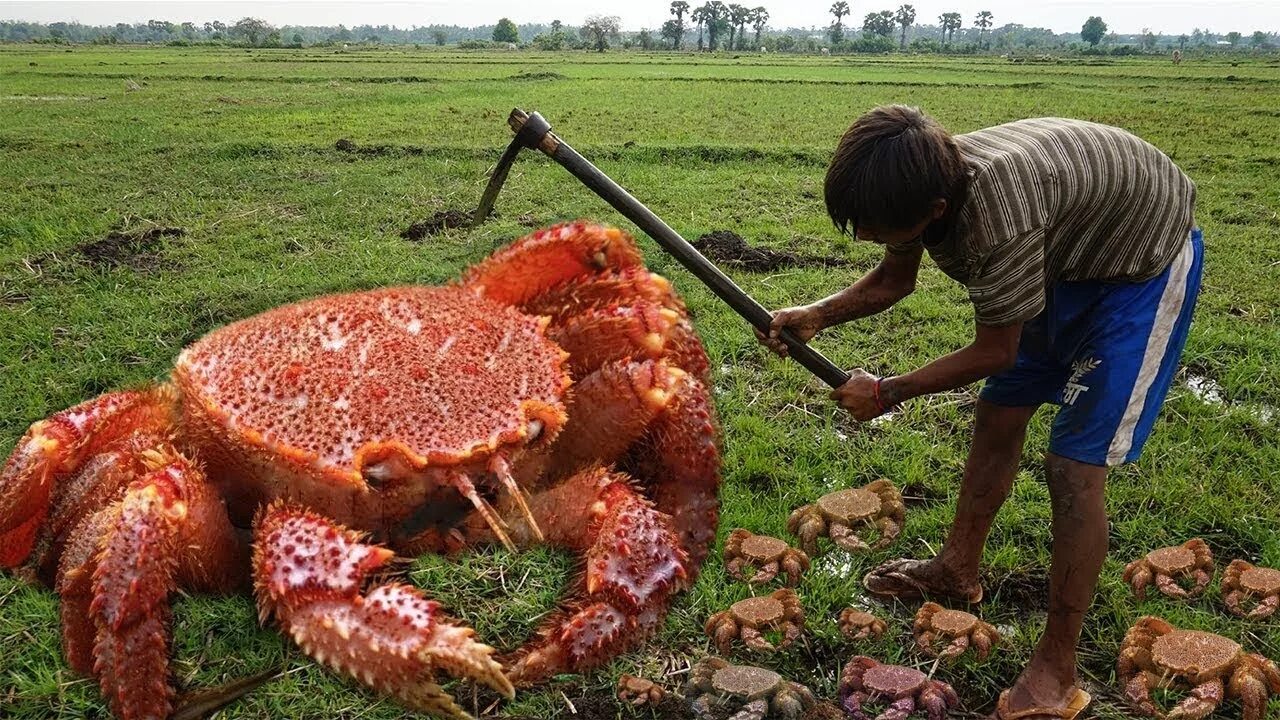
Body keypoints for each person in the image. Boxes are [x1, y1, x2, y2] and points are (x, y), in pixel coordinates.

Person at [757, 106, 1201, 720]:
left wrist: (887, 391)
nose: (867, 237)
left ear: (937, 211)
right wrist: (817, 314)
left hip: (1138, 265)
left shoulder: (999, 219)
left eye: (881, 227)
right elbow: (894, 279)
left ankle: (1057, 669)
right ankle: (956, 570)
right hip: (1065, 253)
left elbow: (997, 350)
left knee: (1071, 466)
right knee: (997, 416)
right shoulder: (918, 178)